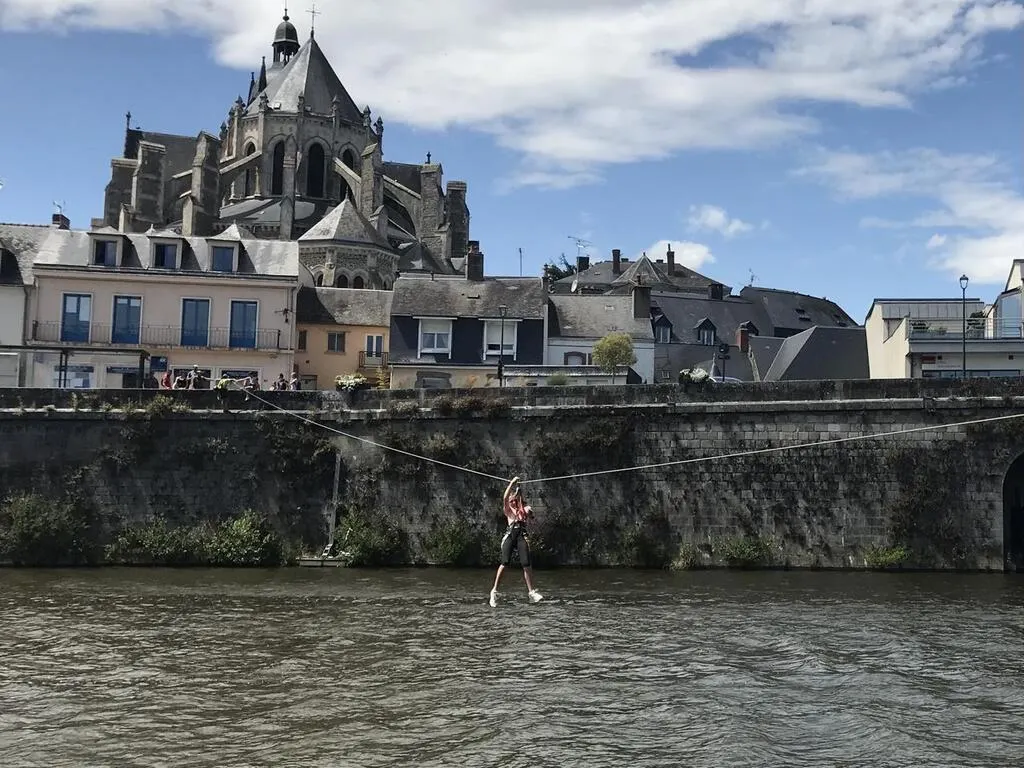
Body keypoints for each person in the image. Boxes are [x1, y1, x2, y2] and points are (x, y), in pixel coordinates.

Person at [489, 476, 543, 607]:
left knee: (526, 563)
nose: (512, 502)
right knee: (505, 562)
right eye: (511, 501)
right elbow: (505, 497)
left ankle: (531, 592)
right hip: (510, 536)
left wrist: (527, 510)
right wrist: (512, 484)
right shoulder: (508, 511)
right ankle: (494, 591)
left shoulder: (523, 509)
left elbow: (529, 512)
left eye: (514, 500)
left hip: (521, 536)